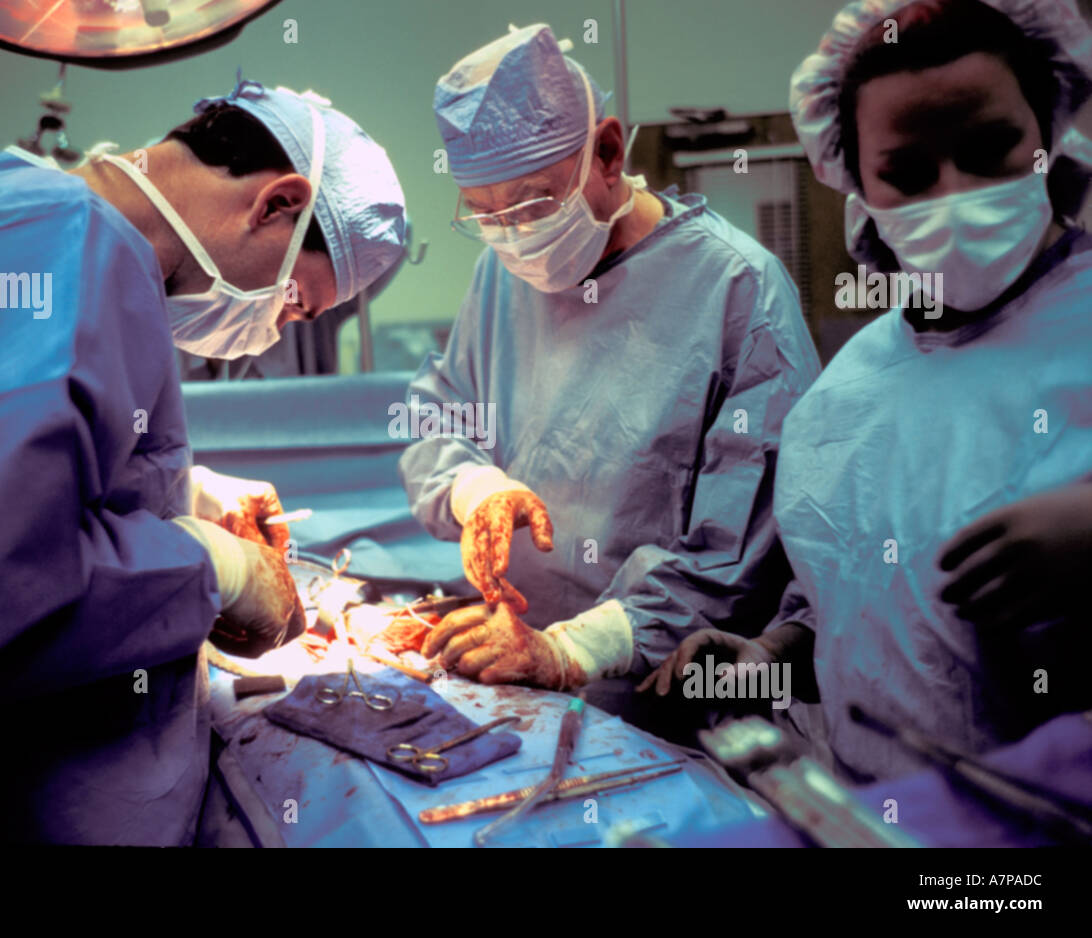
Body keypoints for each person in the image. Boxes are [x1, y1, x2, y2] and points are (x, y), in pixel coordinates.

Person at [0, 74, 406, 843]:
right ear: (278, 202)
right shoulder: (58, 242)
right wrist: (210, 566)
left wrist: (175, 495)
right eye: (293, 302)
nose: (277, 332)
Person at [645, 0, 1092, 782]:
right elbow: (860, 617)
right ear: (858, 185)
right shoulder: (845, 399)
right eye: (909, 172)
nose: (955, 192)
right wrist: (767, 659)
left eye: (992, 150)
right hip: (885, 823)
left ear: (1048, 140)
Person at [400, 25, 821, 693]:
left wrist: (575, 650)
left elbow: (743, 554)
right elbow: (437, 417)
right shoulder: (501, 273)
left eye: (534, 202)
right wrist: (475, 486)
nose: (515, 235)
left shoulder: (738, 288)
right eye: (485, 214)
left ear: (608, 150)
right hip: (510, 661)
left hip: (655, 690)